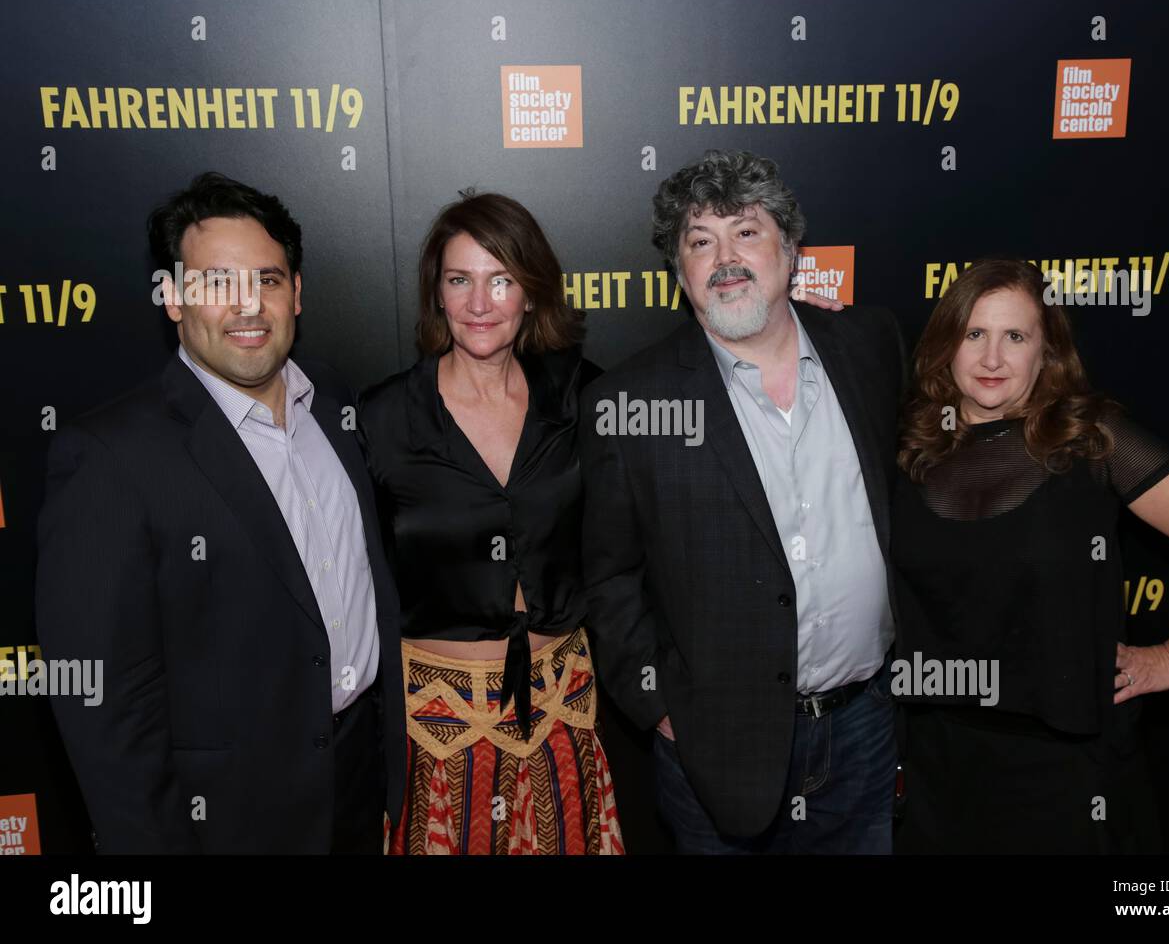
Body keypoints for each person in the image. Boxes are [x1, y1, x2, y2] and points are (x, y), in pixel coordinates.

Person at [35, 172, 405, 853]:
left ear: (297, 292)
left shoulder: (335, 406)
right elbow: (107, 711)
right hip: (226, 821)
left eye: (266, 279)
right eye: (215, 282)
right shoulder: (110, 458)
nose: (247, 305)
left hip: (357, 789)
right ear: (173, 298)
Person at [580, 149, 907, 853]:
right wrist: (662, 710)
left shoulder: (871, 347)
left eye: (747, 233)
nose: (724, 258)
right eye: (700, 241)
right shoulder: (630, 402)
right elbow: (609, 577)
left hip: (865, 727)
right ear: (680, 271)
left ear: (791, 252)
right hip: (716, 747)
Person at [891, 258, 1169, 853]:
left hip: (1063, 764)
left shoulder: (1092, 440)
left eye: (1015, 336)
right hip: (937, 758)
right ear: (946, 344)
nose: (993, 358)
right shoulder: (908, 444)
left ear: (1047, 352)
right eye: (975, 334)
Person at [358, 191, 623, 854]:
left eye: (501, 280)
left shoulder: (583, 395)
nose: (479, 304)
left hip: (564, 714)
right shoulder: (382, 418)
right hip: (436, 733)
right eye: (460, 280)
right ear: (437, 294)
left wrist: (785, 328)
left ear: (532, 292)